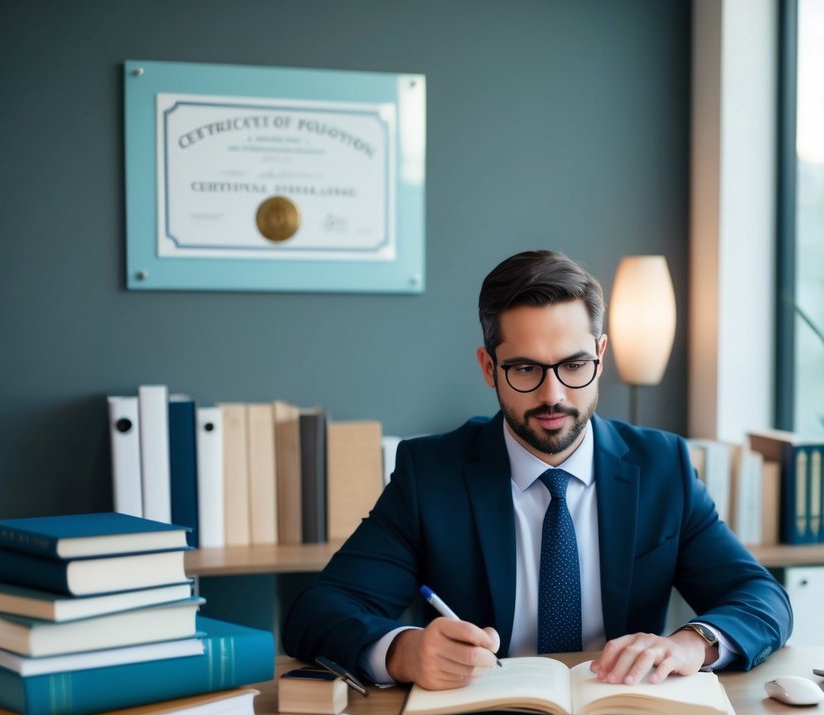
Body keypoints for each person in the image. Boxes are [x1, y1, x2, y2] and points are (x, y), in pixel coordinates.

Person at [283, 250, 792, 691]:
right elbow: (317, 612)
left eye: (573, 365)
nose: (553, 395)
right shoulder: (430, 475)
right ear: (489, 368)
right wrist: (404, 652)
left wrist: (691, 644)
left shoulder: (663, 467)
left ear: (600, 354)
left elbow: (763, 599)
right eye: (525, 369)